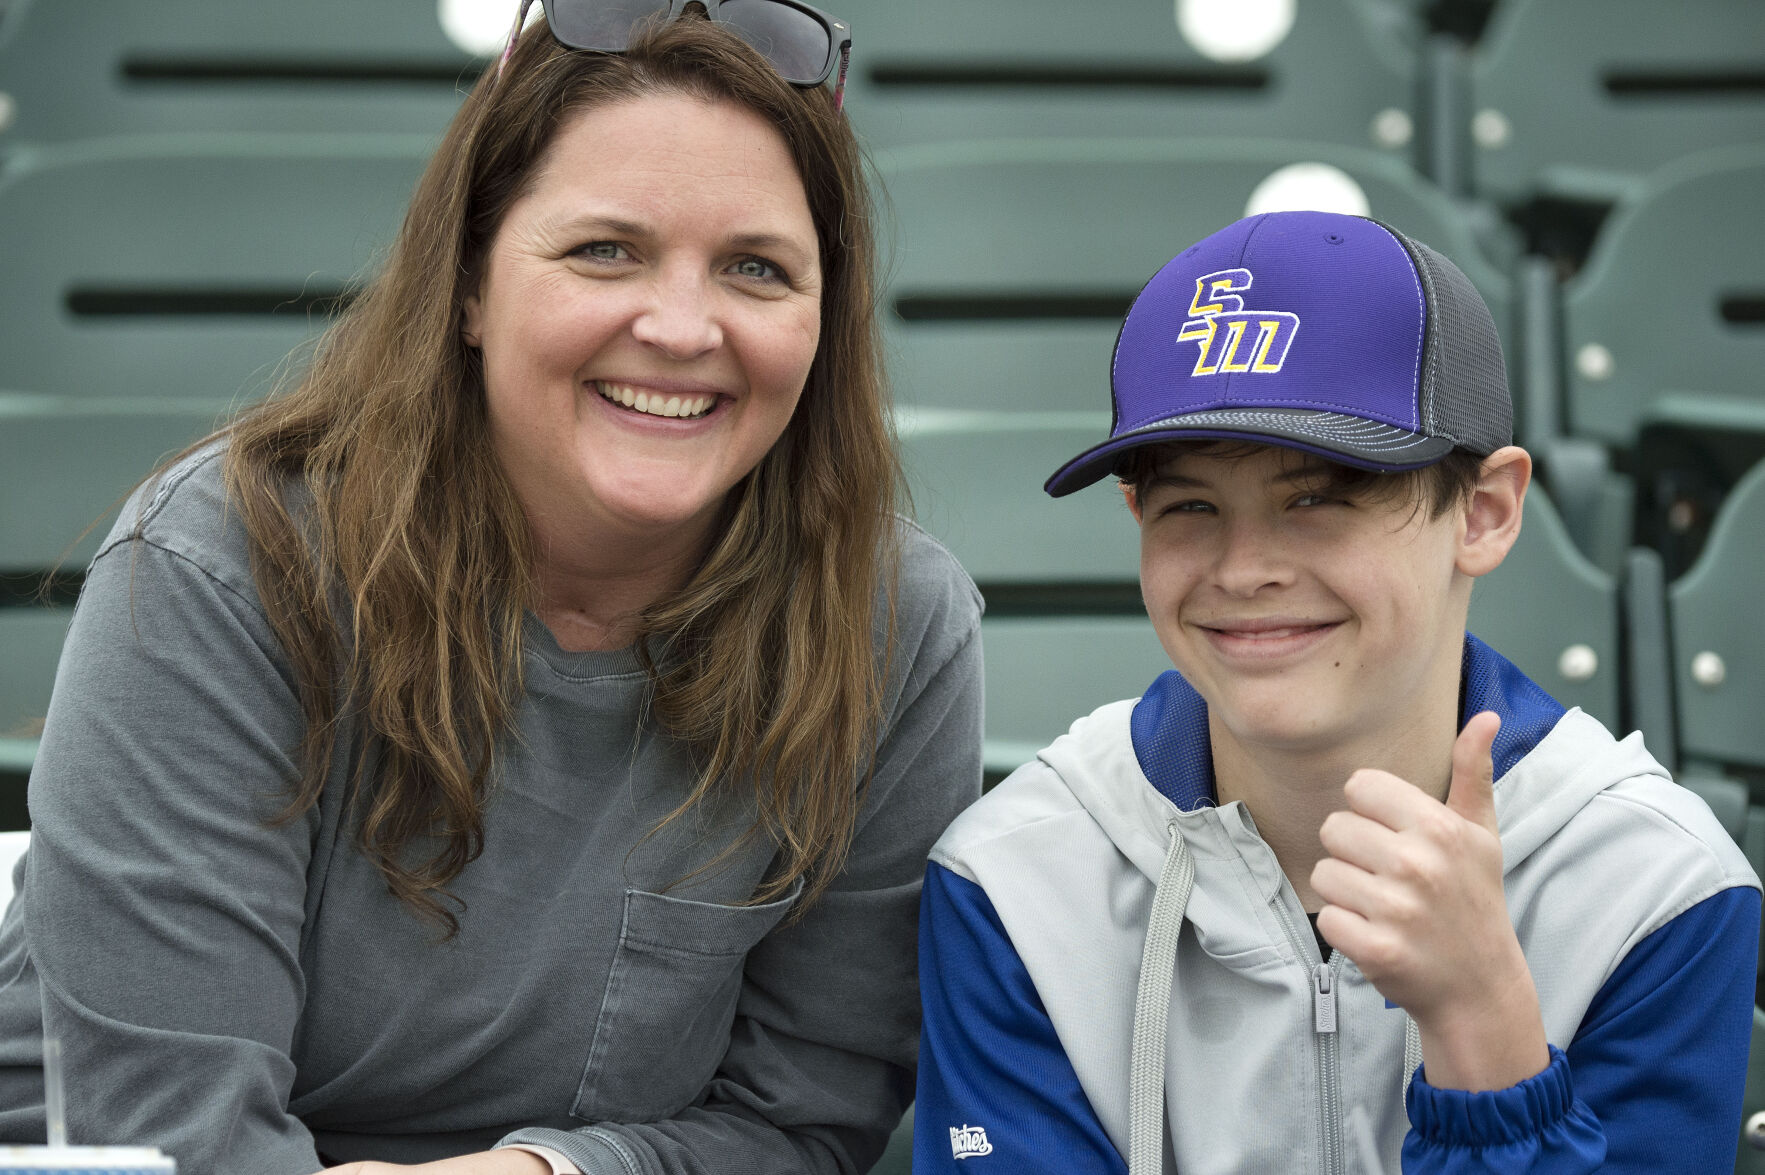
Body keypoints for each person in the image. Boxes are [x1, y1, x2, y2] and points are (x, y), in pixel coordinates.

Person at [0, 5, 984, 1174]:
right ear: (468, 284)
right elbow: (170, 1137)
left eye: (756, 269)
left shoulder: (892, 625)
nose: (680, 326)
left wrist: (549, 1173)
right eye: (603, 250)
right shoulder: (220, 566)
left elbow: (802, 1125)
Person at [912, 210, 1759, 1173]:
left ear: (1483, 512)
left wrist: (1484, 1031)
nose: (1243, 567)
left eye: (1317, 496)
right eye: (1189, 503)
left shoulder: (1655, 885)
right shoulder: (1016, 880)